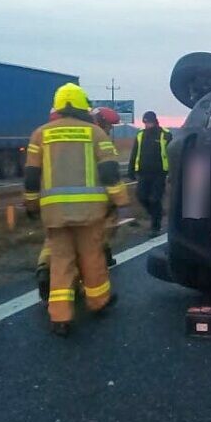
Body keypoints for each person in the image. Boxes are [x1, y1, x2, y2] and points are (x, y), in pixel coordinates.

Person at [24, 83, 129, 337]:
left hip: (55, 214)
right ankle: (98, 302)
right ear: (83, 106)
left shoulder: (41, 134)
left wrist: (31, 204)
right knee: (92, 258)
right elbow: (109, 173)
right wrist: (120, 201)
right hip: (90, 212)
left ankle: (60, 317)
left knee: (60, 262)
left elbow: (31, 175)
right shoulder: (95, 133)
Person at [33, 106, 122, 301]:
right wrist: (116, 198)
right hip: (90, 204)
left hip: (53, 203)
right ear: (101, 122)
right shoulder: (93, 136)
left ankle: (45, 268)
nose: (109, 130)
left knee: (57, 243)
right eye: (108, 125)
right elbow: (107, 172)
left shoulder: (51, 135)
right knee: (90, 245)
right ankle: (91, 291)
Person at [129, 111, 172, 235]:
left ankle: (155, 226)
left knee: (155, 199)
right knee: (141, 196)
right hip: (143, 172)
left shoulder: (165, 134)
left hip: (159, 173)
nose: (148, 124)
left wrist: (172, 172)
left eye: (149, 122)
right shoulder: (140, 135)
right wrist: (131, 170)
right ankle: (156, 214)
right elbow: (135, 153)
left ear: (155, 121)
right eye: (145, 122)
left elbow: (171, 153)